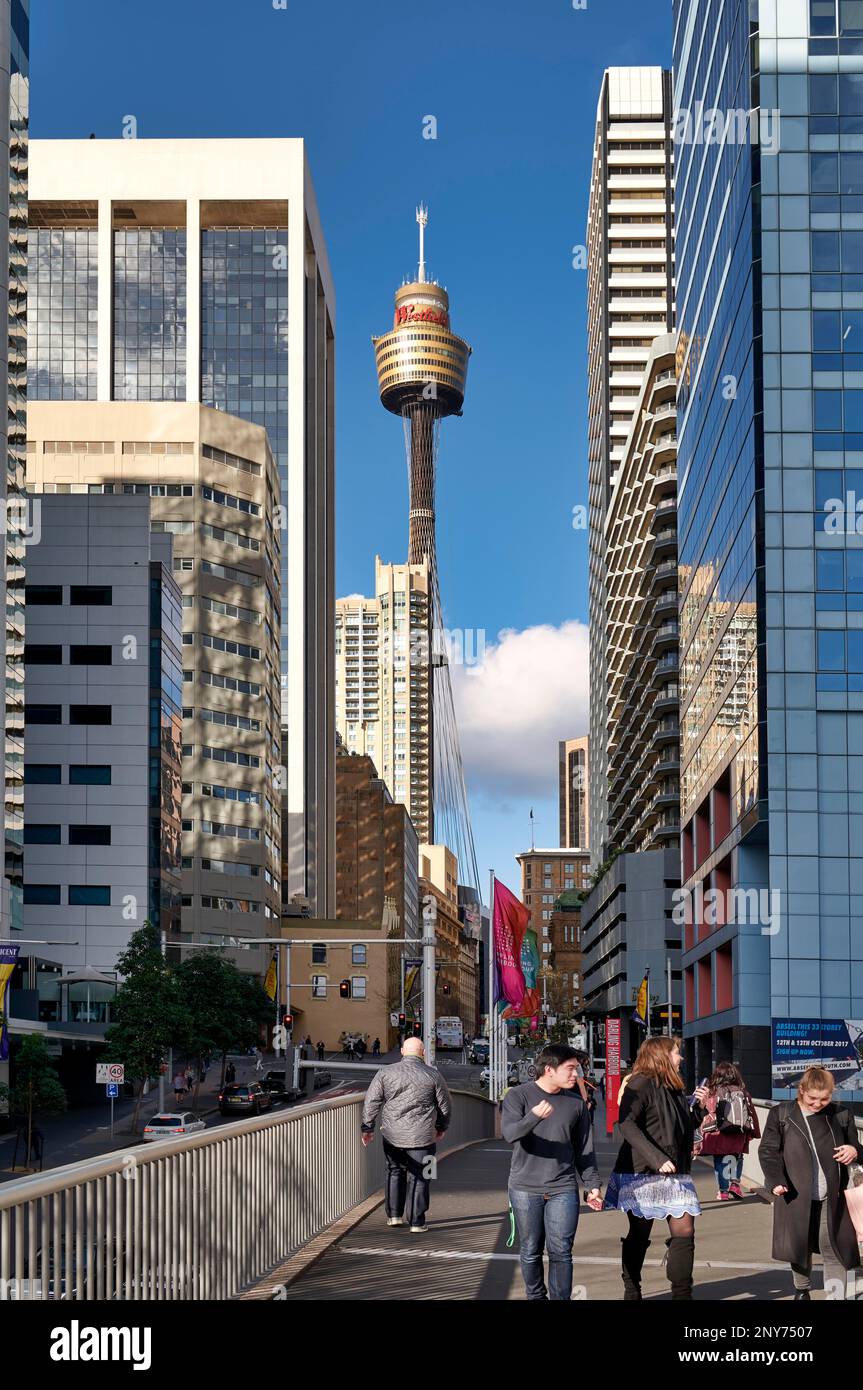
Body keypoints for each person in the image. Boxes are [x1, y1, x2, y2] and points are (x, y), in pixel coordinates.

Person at [604, 1036, 707, 1301]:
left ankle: (682, 1294)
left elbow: (681, 1126)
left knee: (685, 1230)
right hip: (643, 1172)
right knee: (640, 1232)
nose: (680, 1058)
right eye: (676, 1053)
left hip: (675, 1172)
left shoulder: (673, 1086)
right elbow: (626, 1125)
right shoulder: (640, 1083)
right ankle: (632, 1288)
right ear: (661, 1055)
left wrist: (700, 1109)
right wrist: (656, 1158)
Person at [501, 1043, 603, 1302]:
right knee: (531, 1250)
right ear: (549, 1069)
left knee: (561, 1251)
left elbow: (584, 1149)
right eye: (570, 1069)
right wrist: (533, 1116)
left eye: (577, 1069)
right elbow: (510, 1134)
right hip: (525, 1187)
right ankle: (535, 1296)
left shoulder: (576, 1104)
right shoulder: (519, 1096)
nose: (575, 1075)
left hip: (563, 1187)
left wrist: (592, 1185)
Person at [758, 1065, 863, 1300]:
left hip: (832, 1195)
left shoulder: (841, 1115)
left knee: (833, 1247)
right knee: (800, 1246)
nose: (818, 1104)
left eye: (824, 1099)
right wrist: (775, 1180)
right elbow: (768, 1151)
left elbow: (859, 1150)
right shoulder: (781, 1114)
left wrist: (853, 1150)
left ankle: (835, 1297)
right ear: (801, 1091)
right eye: (813, 1098)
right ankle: (801, 1290)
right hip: (794, 1192)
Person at [361, 1036, 452, 1233]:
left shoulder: (385, 1072)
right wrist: (441, 1127)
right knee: (423, 1176)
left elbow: (372, 1101)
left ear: (402, 1051)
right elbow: (445, 1105)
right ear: (423, 1053)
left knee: (395, 1171)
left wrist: (367, 1127)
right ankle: (417, 1222)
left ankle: (394, 1215)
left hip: (392, 1136)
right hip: (424, 1137)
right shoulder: (433, 1075)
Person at [698, 1061, 760, 1201]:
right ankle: (735, 1184)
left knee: (720, 1160)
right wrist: (752, 1132)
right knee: (736, 1157)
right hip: (738, 1131)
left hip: (719, 1132)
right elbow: (751, 1112)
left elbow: (706, 1112)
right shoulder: (742, 1091)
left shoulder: (712, 1092)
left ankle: (723, 1192)